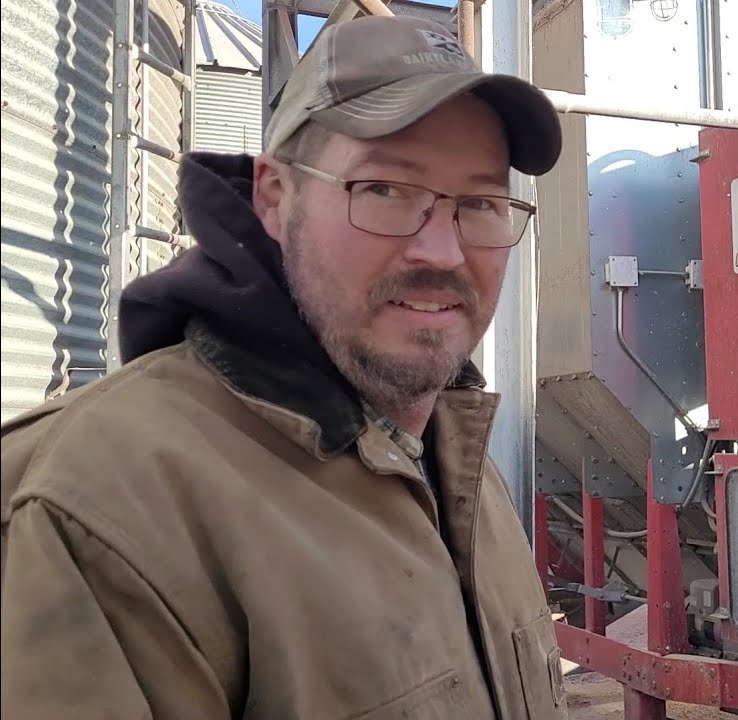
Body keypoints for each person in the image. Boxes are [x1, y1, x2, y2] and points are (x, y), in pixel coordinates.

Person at [1, 14, 567, 720]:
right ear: (274, 196)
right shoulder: (109, 506)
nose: (443, 252)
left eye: (480, 203)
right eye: (386, 190)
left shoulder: (465, 469)